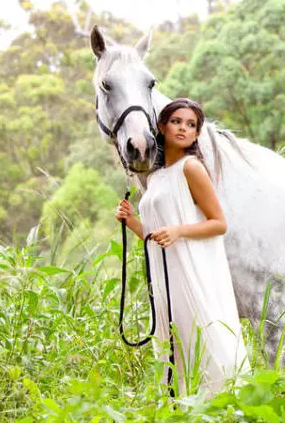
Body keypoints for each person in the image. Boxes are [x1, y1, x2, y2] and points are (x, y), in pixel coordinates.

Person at [114, 98, 250, 396]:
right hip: (166, 276)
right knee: (175, 341)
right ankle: (181, 407)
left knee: (205, 336)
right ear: (161, 127)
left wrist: (180, 231)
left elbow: (219, 223)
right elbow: (155, 235)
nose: (183, 129)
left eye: (191, 125)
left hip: (192, 270)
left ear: (197, 134)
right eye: (177, 121)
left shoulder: (192, 168)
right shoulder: (156, 177)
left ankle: (226, 403)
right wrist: (133, 222)